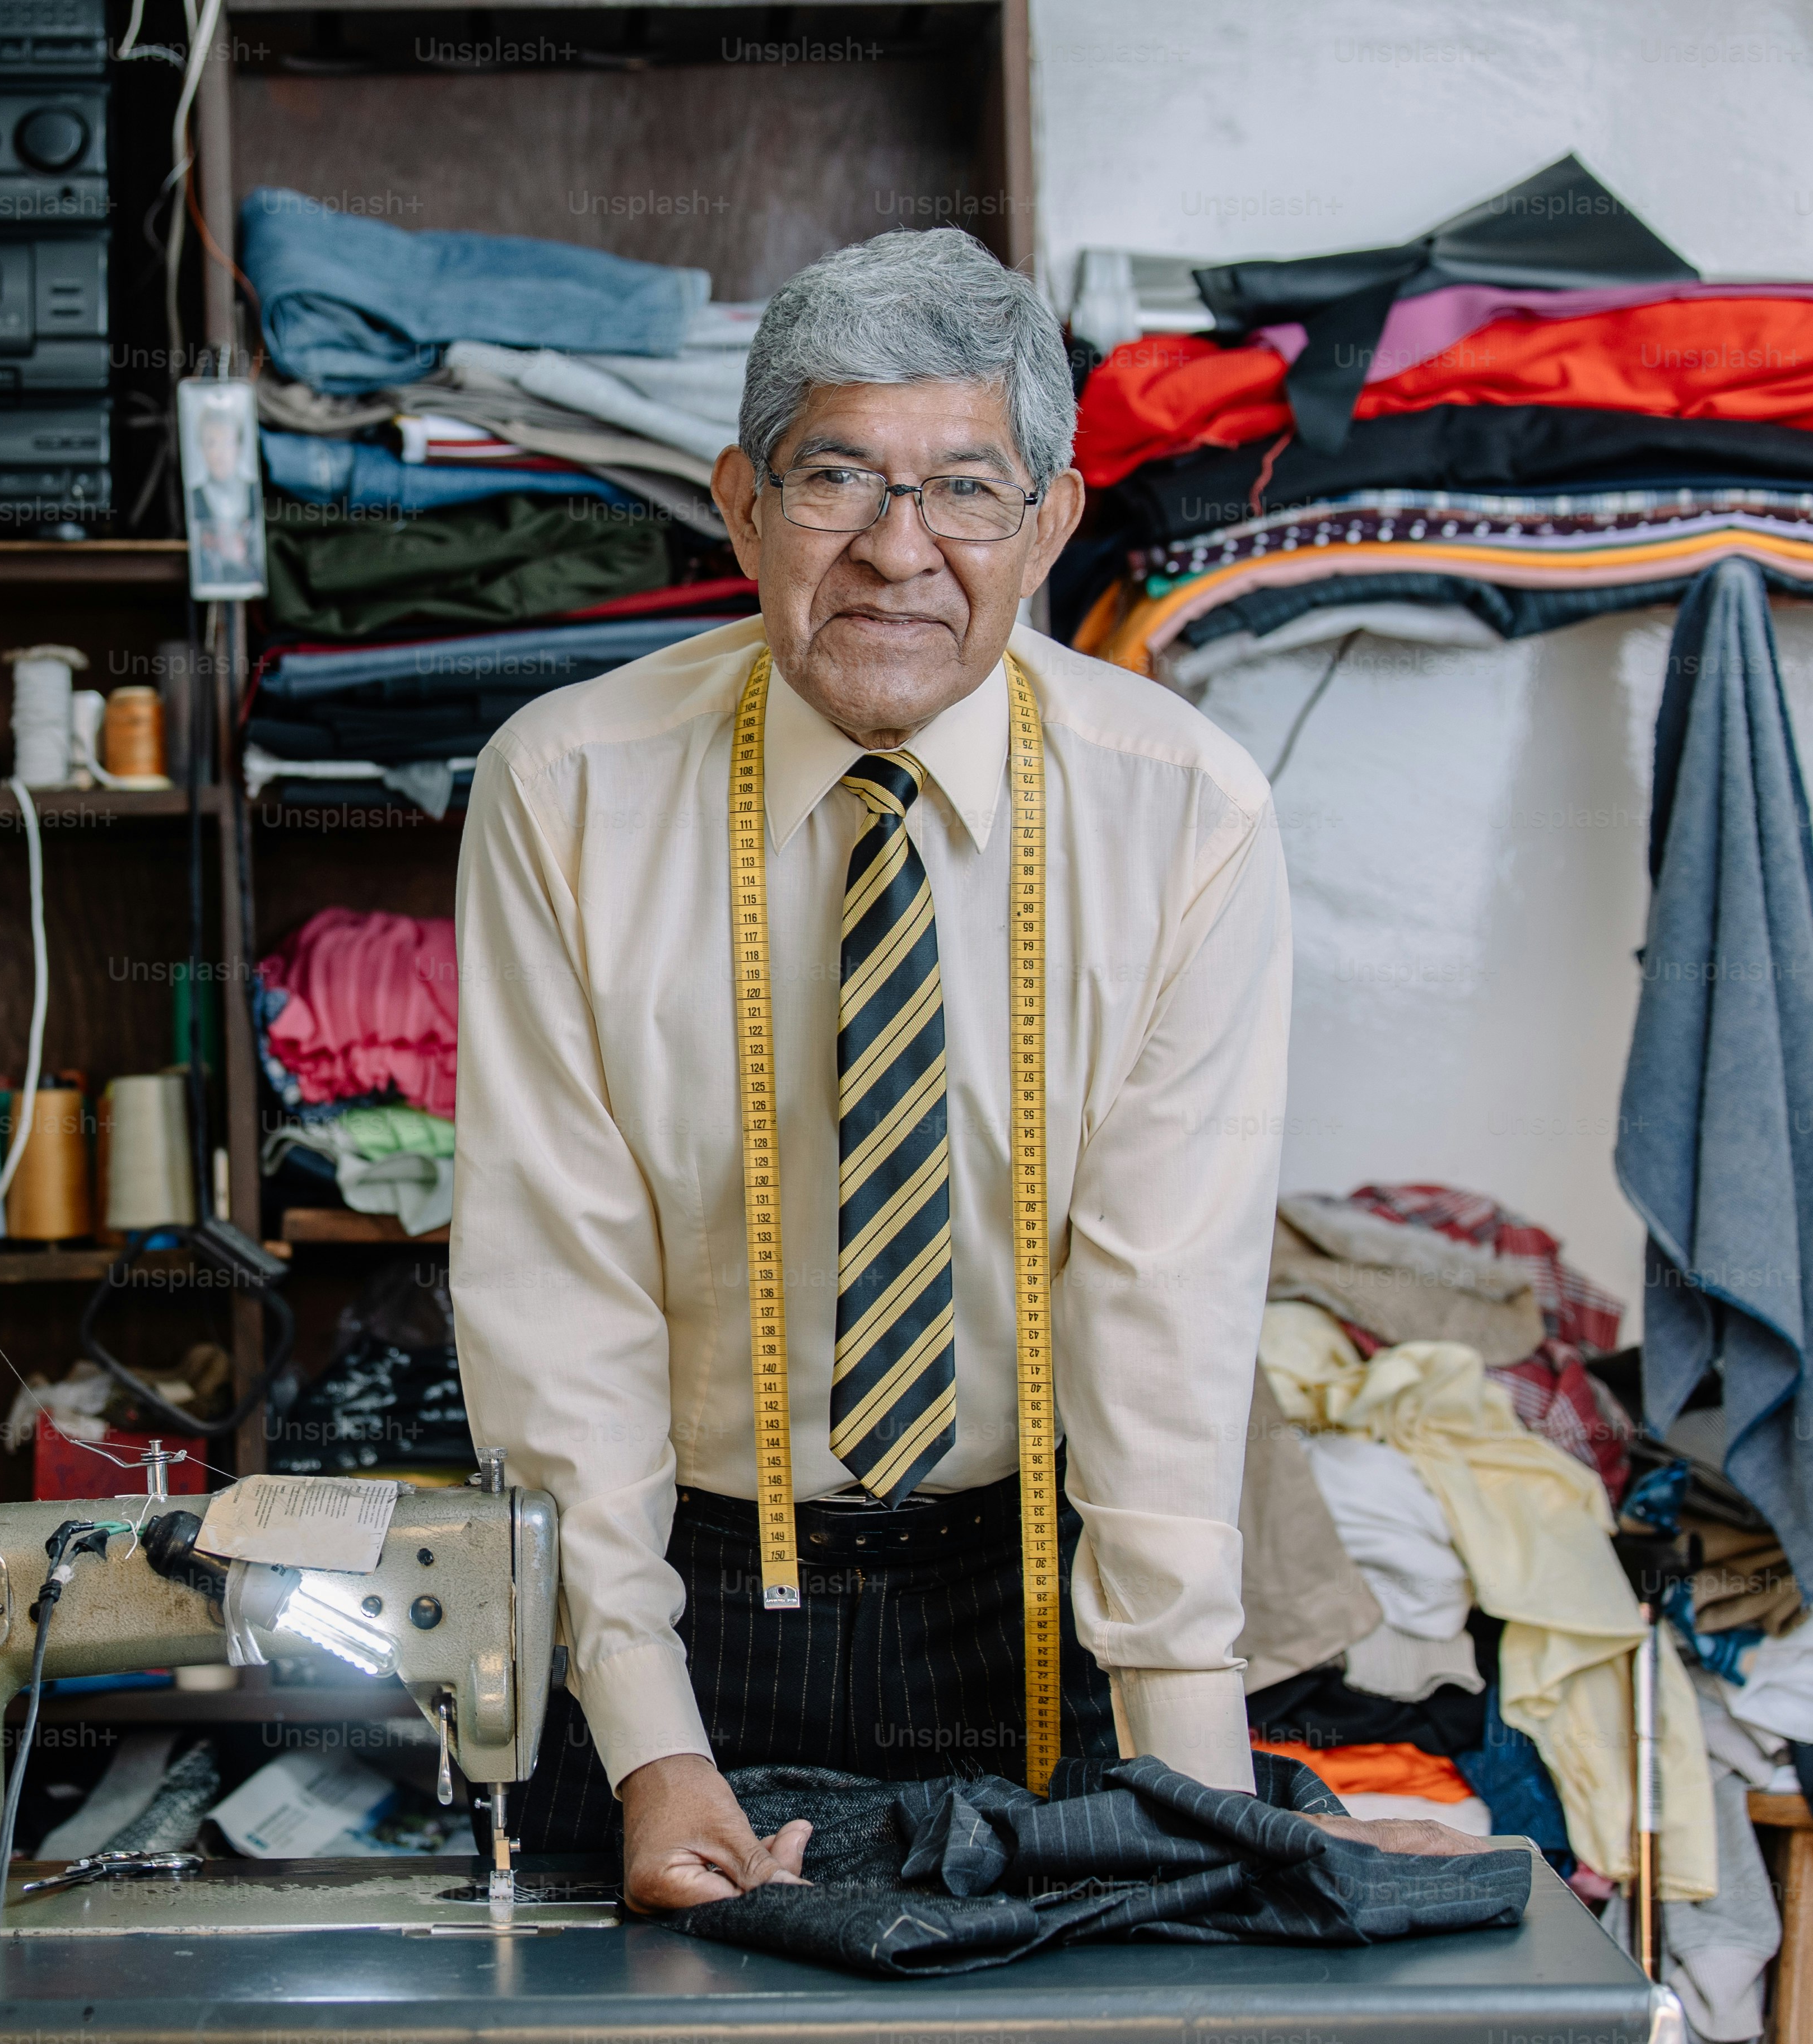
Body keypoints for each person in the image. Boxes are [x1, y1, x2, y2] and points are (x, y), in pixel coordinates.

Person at [451, 227, 1473, 1911]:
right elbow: (557, 1294)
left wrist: (1194, 1794)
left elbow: (1166, 1316)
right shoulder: (566, 789)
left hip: (1041, 1587)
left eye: (968, 490)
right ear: (740, 503)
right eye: (836, 477)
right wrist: (645, 1724)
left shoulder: (1183, 814)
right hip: (674, 1585)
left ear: (1054, 520)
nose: (896, 552)